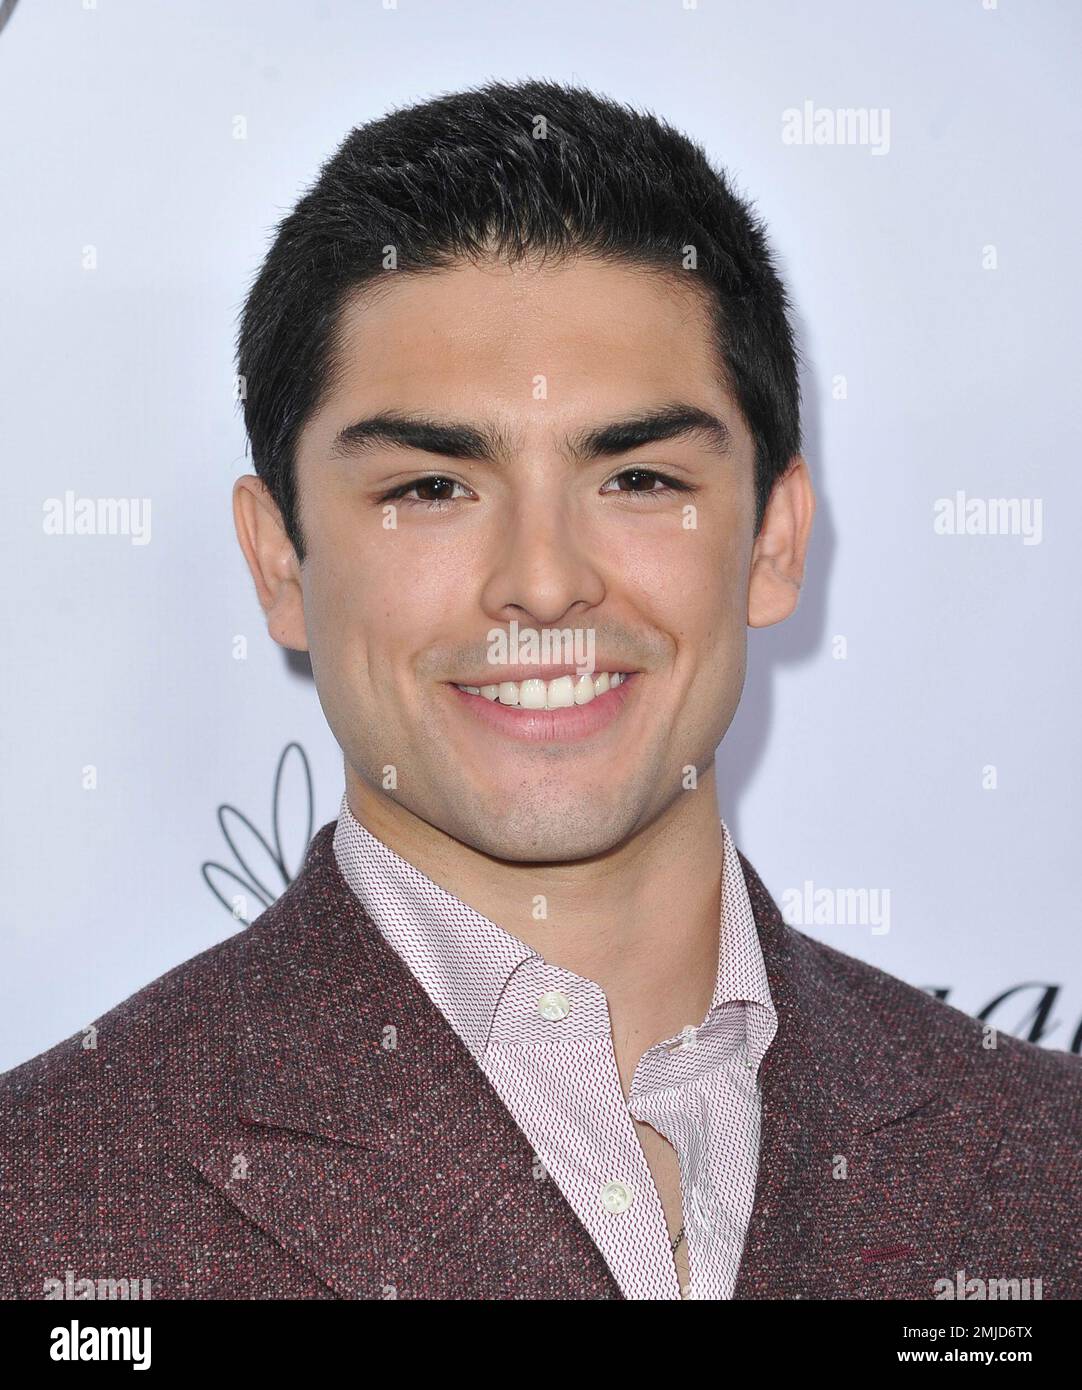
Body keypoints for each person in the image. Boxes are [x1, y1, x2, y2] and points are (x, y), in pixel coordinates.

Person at [1, 79, 1078, 1302]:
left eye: (634, 477)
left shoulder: (1046, 1162)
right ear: (279, 562)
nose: (543, 581)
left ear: (775, 538)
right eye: (430, 489)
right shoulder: (41, 1207)